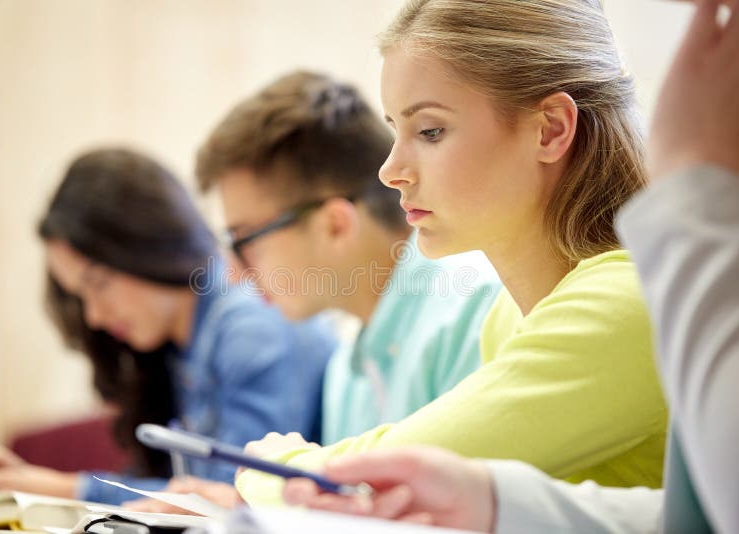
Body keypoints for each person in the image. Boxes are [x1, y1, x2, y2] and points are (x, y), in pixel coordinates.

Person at [282, 0, 739, 532]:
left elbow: (378, 476)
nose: (391, 171)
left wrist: (266, 461)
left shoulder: (623, 300)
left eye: (429, 131)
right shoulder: (506, 314)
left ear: (550, 130)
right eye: (395, 132)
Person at [125, 70, 501, 513]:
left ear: (334, 225)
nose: (237, 275)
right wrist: (243, 512)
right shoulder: (346, 369)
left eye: (245, 241)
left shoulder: (476, 312)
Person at [0, 148, 336, 505]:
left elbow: (228, 497)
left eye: (99, 284)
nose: (94, 317)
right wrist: (37, 485)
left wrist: (60, 489)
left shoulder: (251, 325)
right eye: (80, 297)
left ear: (148, 246)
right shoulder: (177, 346)